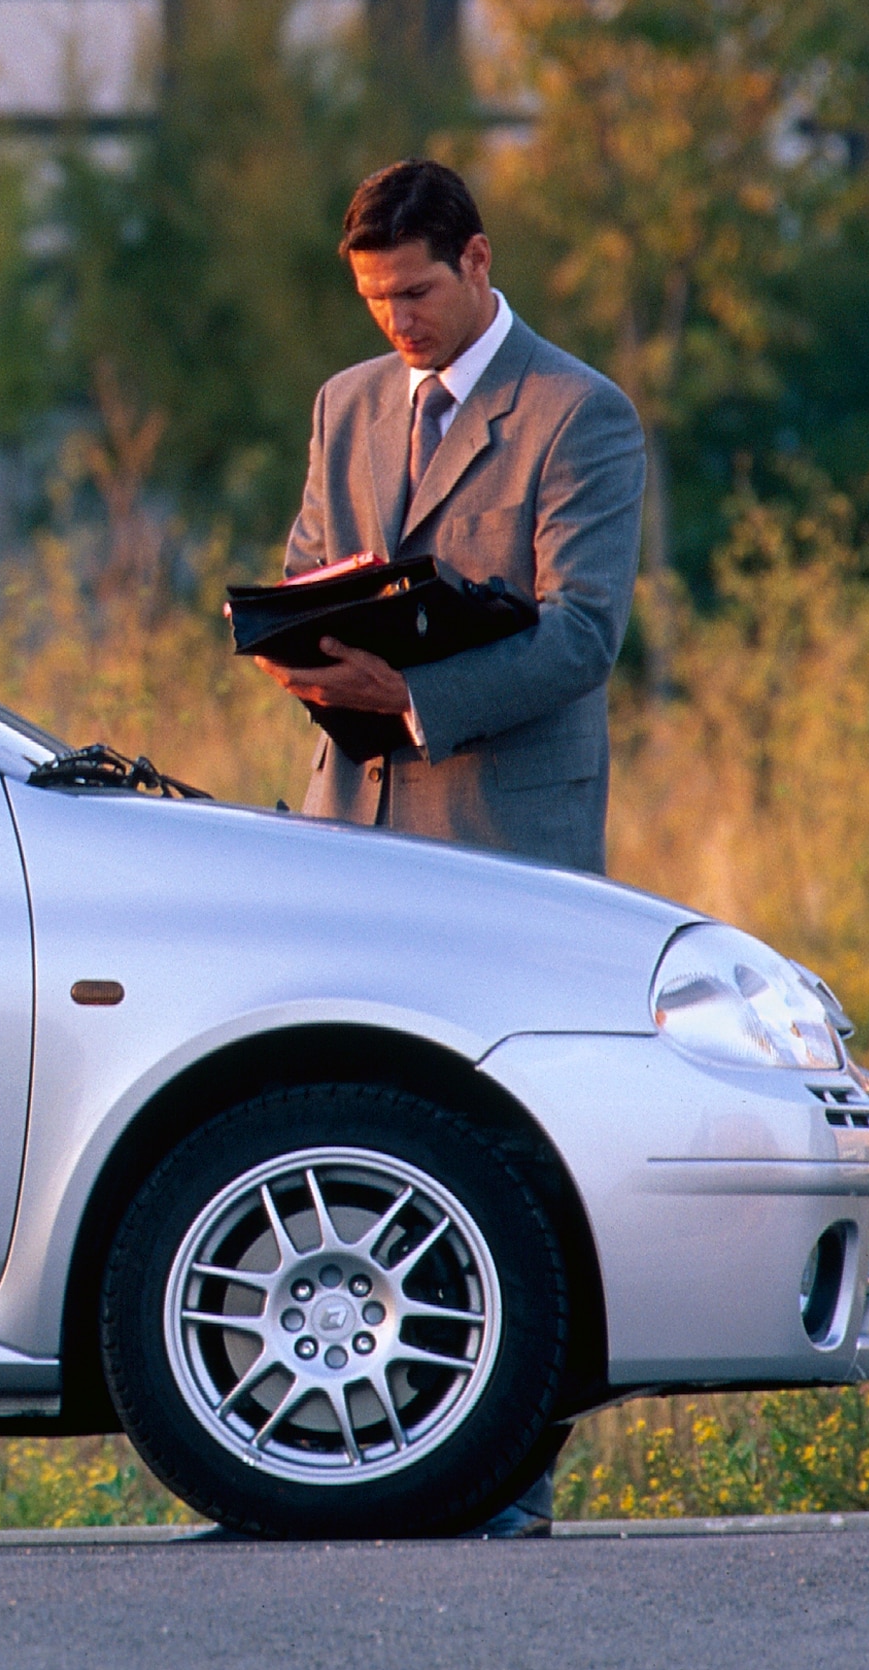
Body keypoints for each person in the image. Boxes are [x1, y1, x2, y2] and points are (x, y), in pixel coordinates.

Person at [259, 157, 645, 1537]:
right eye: (371, 299)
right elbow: (309, 554)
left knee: (506, 1156)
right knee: (342, 1139)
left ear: (477, 263)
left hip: (499, 845)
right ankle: (332, 1461)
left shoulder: (580, 413)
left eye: (413, 292)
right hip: (344, 833)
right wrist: (300, 650)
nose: (393, 323)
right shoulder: (344, 404)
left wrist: (415, 695)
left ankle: (508, 1482)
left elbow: (585, 633)